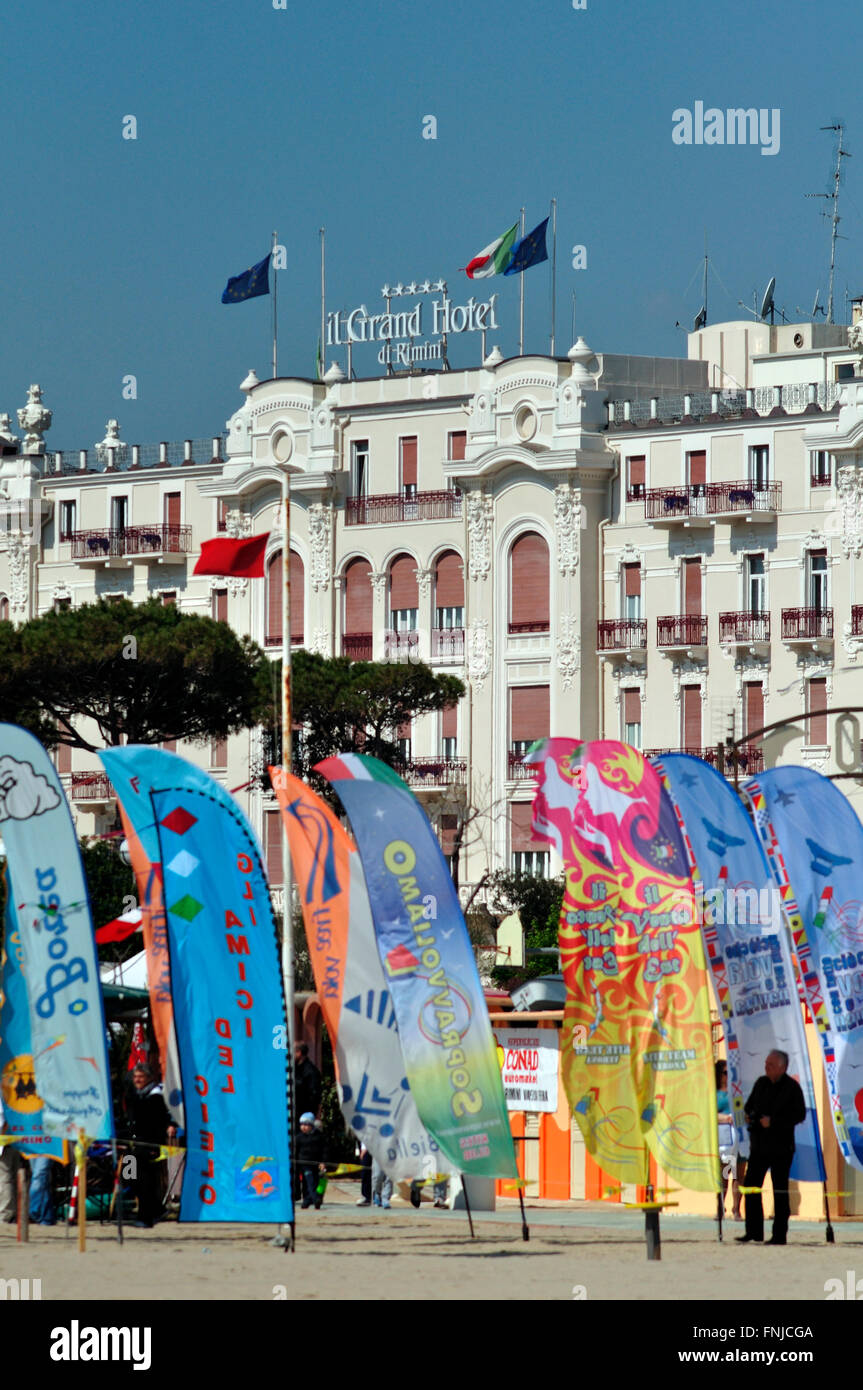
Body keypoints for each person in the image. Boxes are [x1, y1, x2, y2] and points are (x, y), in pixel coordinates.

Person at [736, 1049, 806, 1246]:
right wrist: (750, 1115)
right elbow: (749, 1106)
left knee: (780, 1191)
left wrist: (773, 1121)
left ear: (782, 1067)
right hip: (759, 1145)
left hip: (781, 1147)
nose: (766, 1068)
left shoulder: (792, 1088)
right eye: (766, 1064)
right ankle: (753, 1231)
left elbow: (799, 1115)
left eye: (771, 1065)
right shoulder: (761, 1083)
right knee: (751, 1186)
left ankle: (779, 1235)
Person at [125, 1064, 176, 1228]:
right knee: (129, 1176)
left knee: (145, 1180)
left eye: (140, 1077)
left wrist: (156, 1143)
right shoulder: (134, 1095)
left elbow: (159, 1121)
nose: (137, 1080)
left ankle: (145, 1217)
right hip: (132, 1145)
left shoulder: (156, 1096)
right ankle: (157, 1209)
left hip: (148, 1145)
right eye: (135, 1077)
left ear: (148, 1078)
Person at [715, 1059, 742, 1222]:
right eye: (725, 1073)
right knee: (725, 1174)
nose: (728, 1076)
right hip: (724, 1137)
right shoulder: (716, 1094)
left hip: (739, 1137)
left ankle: (737, 1209)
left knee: (738, 1174)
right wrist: (725, 1117)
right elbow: (710, 1113)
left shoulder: (737, 1090)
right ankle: (720, 1207)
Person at [296, 1113, 327, 1209]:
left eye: (306, 1125)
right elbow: (295, 1150)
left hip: (316, 1164)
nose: (304, 1127)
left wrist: (323, 1162)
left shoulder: (319, 1137)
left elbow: (324, 1150)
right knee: (309, 1182)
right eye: (302, 1125)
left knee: (315, 1182)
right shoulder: (299, 1137)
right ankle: (314, 1199)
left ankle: (308, 1200)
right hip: (304, 1164)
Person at [294, 1043, 322, 1120]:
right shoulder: (294, 1069)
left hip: (304, 1116)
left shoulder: (311, 1071)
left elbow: (315, 1095)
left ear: (299, 1053)